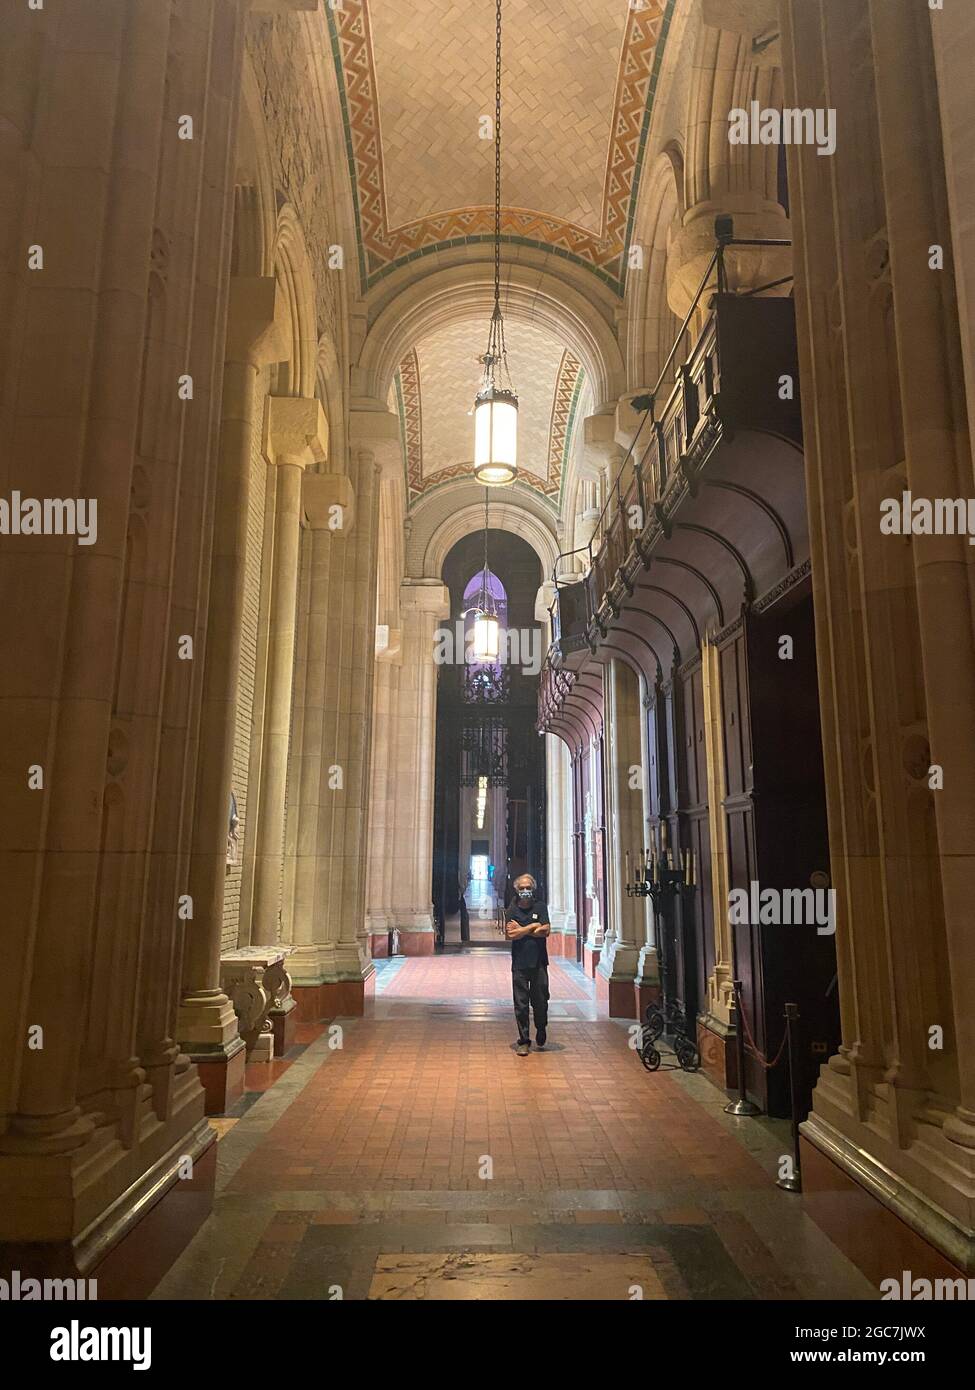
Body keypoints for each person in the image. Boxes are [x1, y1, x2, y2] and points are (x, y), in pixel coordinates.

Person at [505, 873, 551, 1056]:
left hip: (539, 962)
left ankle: (541, 1027)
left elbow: (546, 930)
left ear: (533, 889)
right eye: (522, 888)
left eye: (528, 887)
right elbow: (510, 935)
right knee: (521, 1004)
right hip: (519, 963)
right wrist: (533, 927)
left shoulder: (540, 906)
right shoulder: (512, 909)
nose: (525, 891)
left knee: (540, 1001)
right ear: (516, 890)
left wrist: (522, 929)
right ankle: (524, 1040)